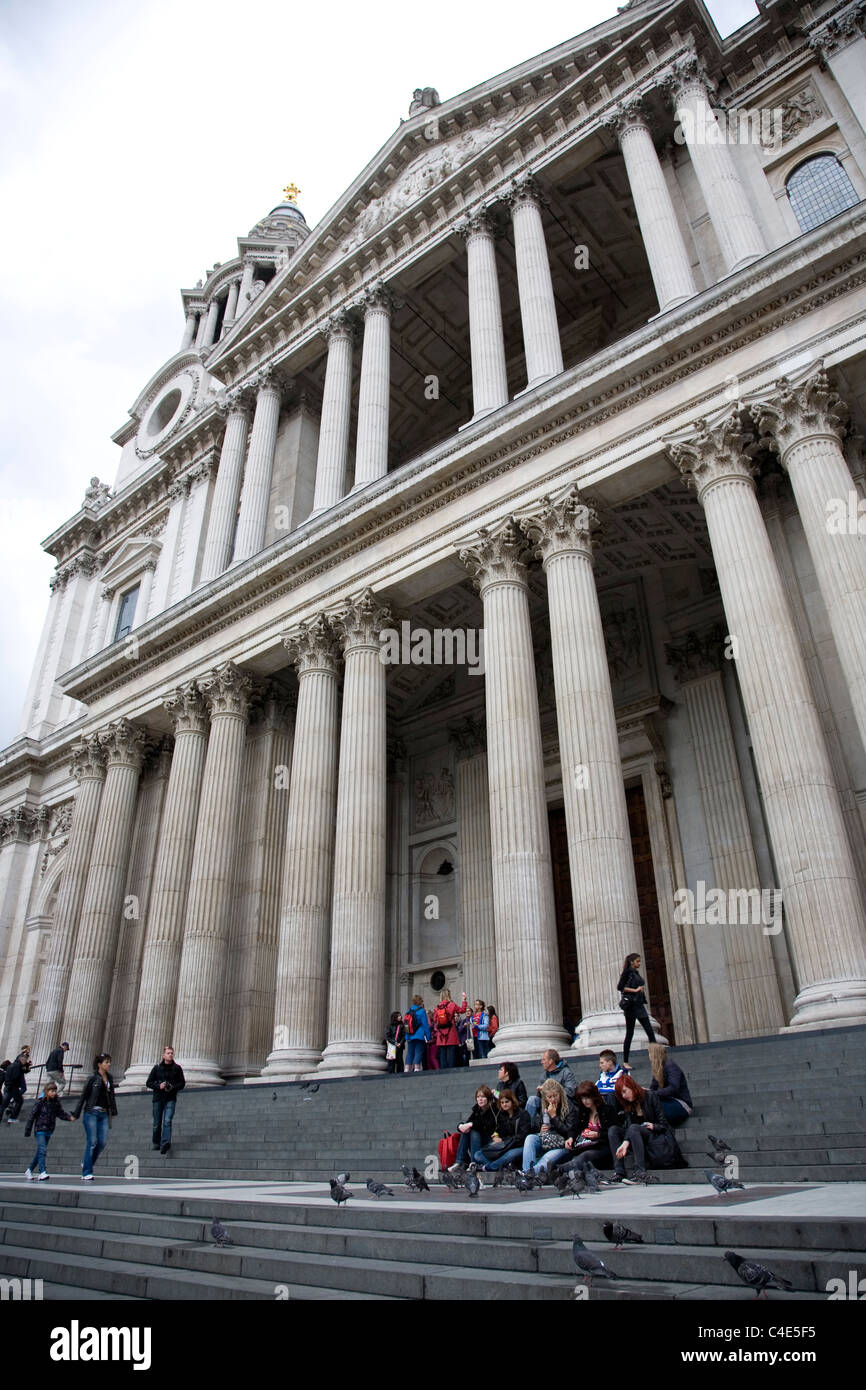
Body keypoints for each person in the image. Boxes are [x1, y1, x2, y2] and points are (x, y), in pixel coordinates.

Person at [608, 1072, 681, 1182]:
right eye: (621, 1094)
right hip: (636, 1135)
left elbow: (664, 1124)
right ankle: (619, 1171)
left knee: (633, 1128)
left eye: (624, 1091)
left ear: (631, 1086)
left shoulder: (651, 1096)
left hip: (655, 1135)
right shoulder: (628, 1104)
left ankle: (640, 1171)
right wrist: (625, 1142)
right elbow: (629, 1125)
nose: (624, 1096)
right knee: (613, 1130)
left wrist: (653, 1126)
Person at [73, 1053, 117, 1181]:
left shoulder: (110, 1078)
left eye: (109, 1062)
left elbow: (112, 1096)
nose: (109, 1064)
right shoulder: (93, 1078)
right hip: (91, 1112)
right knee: (92, 1142)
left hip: (104, 1113)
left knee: (102, 1142)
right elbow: (84, 1096)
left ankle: (87, 1162)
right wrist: (76, 1113)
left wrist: (113, 1111)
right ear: (99, 1064)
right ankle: (87, 1172)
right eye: (106, 1062)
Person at [521, 1079, 578, 1176]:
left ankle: (527, 1174)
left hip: (562, 1144)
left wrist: (554, 1117)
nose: (553, 1099)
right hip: (547, 1141)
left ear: (560, 1093)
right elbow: (538, 1126)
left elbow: (569, 1131)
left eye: (555, 1096)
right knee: (530, 1138)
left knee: (547, 1158)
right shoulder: (545, 1106)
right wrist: (540, 1128)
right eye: (549, 1097)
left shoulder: (569, 1107)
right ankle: (528, 1172)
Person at [561, 1081, 618, 1174]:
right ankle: (558, 1171)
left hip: (603, 1148)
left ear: (594, 1096)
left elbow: (614, 1132)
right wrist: (570, 1137)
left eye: (587, 1097)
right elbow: (574, 1128)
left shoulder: (607, 1110)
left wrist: (598, 1134)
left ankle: (559, 1170)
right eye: (582, 1098)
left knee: (585, 1156)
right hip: (586, 1146)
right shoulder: (583, 1113)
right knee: (575, 1155)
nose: (585, 1101)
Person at [24, 1080, 75, 1180]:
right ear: (47, 1091)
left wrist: (69, 1118)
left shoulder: (56, 1102)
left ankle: (29, 1170)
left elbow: (60, 1113)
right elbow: (32, 1116)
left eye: (55, 1091)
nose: (53, 1093)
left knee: (40, 1151)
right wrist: (28, 1130)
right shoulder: (40, 1102)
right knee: (42, 1150)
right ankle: (42, 1172)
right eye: (51, 1091)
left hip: (49, 1129)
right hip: (40, 1129)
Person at [617, 952, 656, 1064]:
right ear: (632, 962)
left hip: (639, 1005)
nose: (639, 963)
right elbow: (620, 987)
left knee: (649, 1031)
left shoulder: (635, 973)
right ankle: (625, 1061)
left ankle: (655, 1056)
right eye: (637, 961)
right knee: (630, 1033)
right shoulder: (627, 972)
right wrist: (635, 990)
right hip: (631, 1006)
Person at [146, 1045, 186, 1153]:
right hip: (158, 1098)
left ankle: (165, 1143)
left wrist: (173, 1087)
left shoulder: (177, 1068)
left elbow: (182, 1083)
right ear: (163, 1055)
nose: (170, 1055)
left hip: (170, 1098)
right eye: (168, 1053)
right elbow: (148, 1082)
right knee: (156, 1123)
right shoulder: (157, 1068)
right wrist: (159, 1086)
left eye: (172, 1053)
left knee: (167, 1121)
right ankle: (156, 1142)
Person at [478, 1090, 530, 1171]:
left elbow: (522, 1136)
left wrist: (502, 1140)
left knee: (510, 1155)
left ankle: (490, 1167)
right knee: (478, 1154)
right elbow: (499, 1130)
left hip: (519, 1145)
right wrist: (496, 1135)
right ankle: (503, 1167)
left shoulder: (523, 1114)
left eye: (507, 1102)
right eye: (502, 1102)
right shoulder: (502, 1115)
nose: (504, 1104)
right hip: (504, 1145)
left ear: (512, 1101)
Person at [451, 1084, 498, 1168]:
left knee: (473, 1130)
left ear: (488, 1098)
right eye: (478, 1097)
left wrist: (471, 1124)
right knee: (467, 1130)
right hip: (479, 1141)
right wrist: (460, 1126)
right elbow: (467, 1123)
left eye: (483, 1097)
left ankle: (474, 1163)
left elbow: (487, 1125)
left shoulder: (493, 1109)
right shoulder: (477, 1109)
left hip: (491, 1141)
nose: (480, 1099)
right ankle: (459, 1162)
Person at [525, 1049, 578, 1124]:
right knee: (532, 1100)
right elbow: (541, 1097)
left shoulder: (566, 1072)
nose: (541, 1062)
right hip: (546, 1103)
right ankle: (527, 1128)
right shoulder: (544, 1075)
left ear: (550, 1061)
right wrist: (541, 1091)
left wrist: (555, 1092)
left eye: (543, 1059)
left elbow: (571, 1091)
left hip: (562, 1103)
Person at [648, 1043, 693, 1126]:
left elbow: (673, 1088)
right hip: (669, 1101)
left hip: (681, 1104)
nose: (649, 1056)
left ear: (655, 1054)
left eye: (650, 1053)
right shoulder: (658, 1069)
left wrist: (655, 1093)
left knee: (654, 1108)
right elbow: (653, 1088)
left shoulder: (671, 1066)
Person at [431, 988, 468, 1070]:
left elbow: (435, 1020)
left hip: (441, 1033)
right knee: (452, 1051)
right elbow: (462, 1010)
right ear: (449, 995)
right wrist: (464, 1000)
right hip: (451, 1031)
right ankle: (452, 1069)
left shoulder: (437, 1007)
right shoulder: (452, 1005)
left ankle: (443, 1069)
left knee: (443, 1052)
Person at [403, 995, 431, 1074]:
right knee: (418, 1051)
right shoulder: (422, 1011)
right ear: (420, 1001)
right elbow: (425, 1025)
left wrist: (407, 1035)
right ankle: (417, 1068)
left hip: (410, 1035)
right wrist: (428, 1037)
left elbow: (406, 1024)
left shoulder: (408, 1011)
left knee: (410, 1052)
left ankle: (407, 1068)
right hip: (419, 1035)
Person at [1, 1049, 29, 1123]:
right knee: (20, 1101)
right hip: (13, 1087)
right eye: (25, 1060)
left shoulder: (11, 1065)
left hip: (8, 1086)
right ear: (22, 1059)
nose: (25, 1061)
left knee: (4, 1104)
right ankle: (13, 1118)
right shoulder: (17, 1067)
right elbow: (15, 1077)